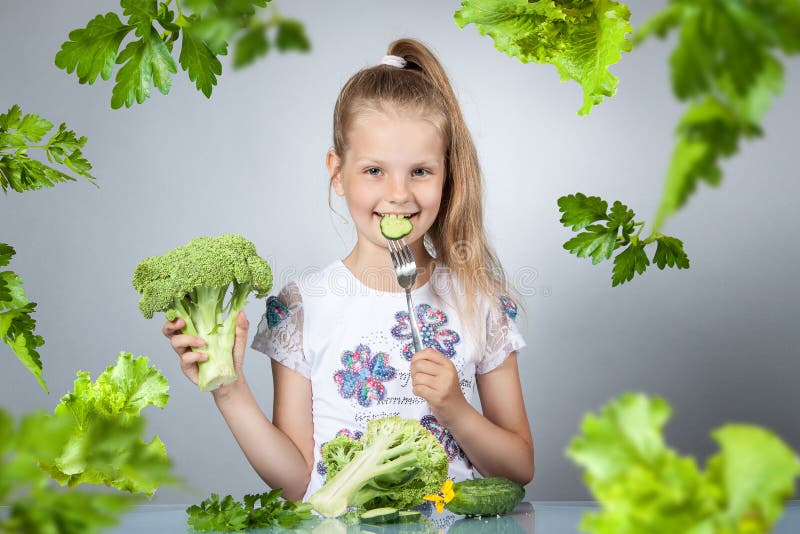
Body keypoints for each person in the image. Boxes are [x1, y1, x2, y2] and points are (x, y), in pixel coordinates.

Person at [164, 38, 534, 507]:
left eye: (420, 171)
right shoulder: (302, 307)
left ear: (447, 175)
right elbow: (296, 482)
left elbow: (519, 468)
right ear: (337, 173)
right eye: (374, 170)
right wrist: (230, 389)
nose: (399, 194)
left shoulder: (478, 300)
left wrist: (455, 409)